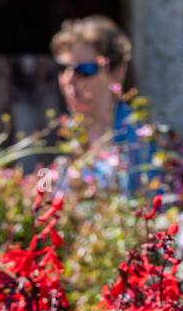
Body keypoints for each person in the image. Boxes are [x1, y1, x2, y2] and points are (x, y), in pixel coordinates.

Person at [49, 15, 159, 194]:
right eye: (63, 69)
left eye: (84, 70)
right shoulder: (58, 135)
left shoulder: (140, 140)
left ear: (117, 72)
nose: (69, 79)